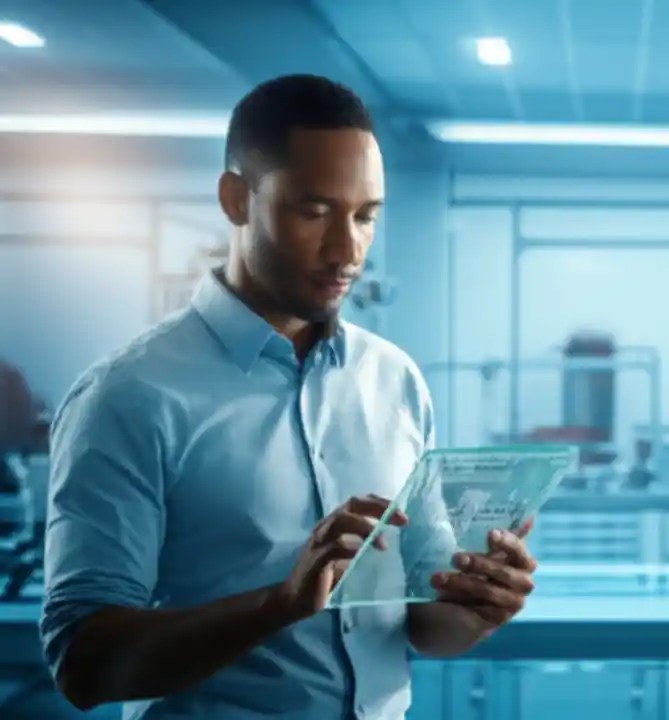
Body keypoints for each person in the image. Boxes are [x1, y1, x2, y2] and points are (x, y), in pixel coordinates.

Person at [41, 74, 539, 719]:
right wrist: (280, 604)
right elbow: (82, 665)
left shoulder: (395, 380)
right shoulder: (130, 396)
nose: (347, 250)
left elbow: (420, 626)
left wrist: (478, 606)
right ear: (236, 199)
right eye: (314, 211)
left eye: (365, 217)